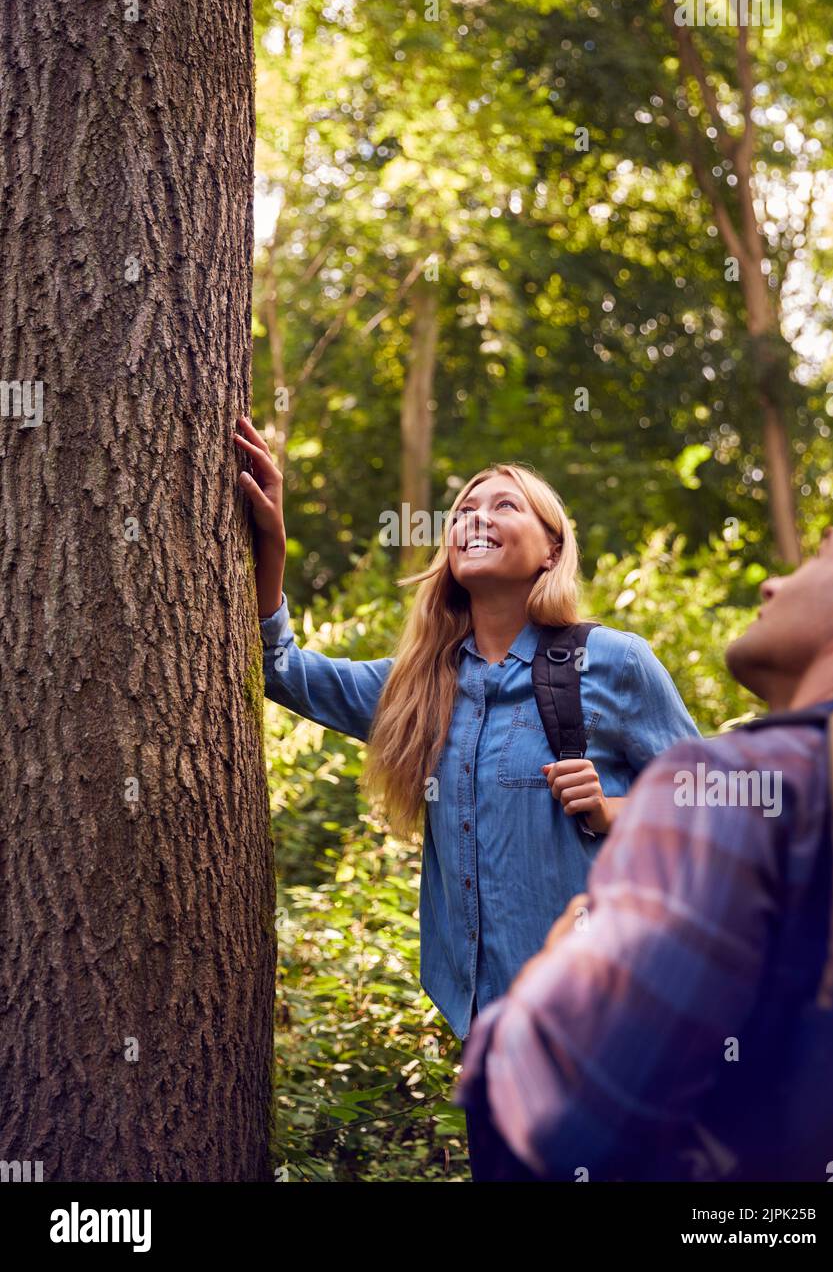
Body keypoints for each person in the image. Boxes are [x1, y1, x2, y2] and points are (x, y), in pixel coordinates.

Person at [233, 416, 697, 1172]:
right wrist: (273, 541)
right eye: (465, 512)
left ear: (551, 548)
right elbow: (280, 668)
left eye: (505, 505)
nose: (478, 517)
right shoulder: (418, 687)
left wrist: (612, 809)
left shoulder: (613, 663)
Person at [455, 512, 833, 1180]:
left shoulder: (726, 786)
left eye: (816, 556)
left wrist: (548, 970)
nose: (772, 584)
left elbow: (564, 1114)